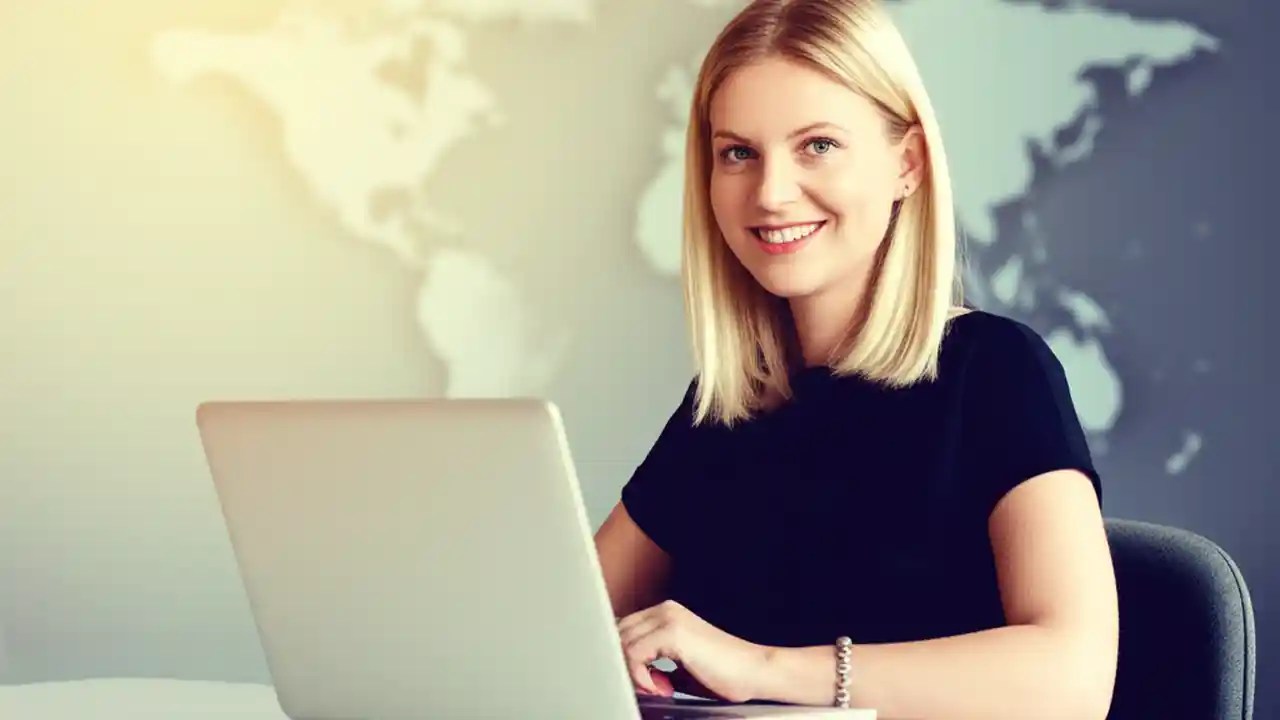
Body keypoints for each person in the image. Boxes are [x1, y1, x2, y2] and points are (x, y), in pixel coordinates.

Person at [592, 1, 1119, 718]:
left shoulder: (996, 371)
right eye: (738, 153)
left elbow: (1073, 680)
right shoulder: (730, 402)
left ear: (906, 163)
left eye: (817, 145)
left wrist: (764, 669)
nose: (771, 194)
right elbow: (563, 629)